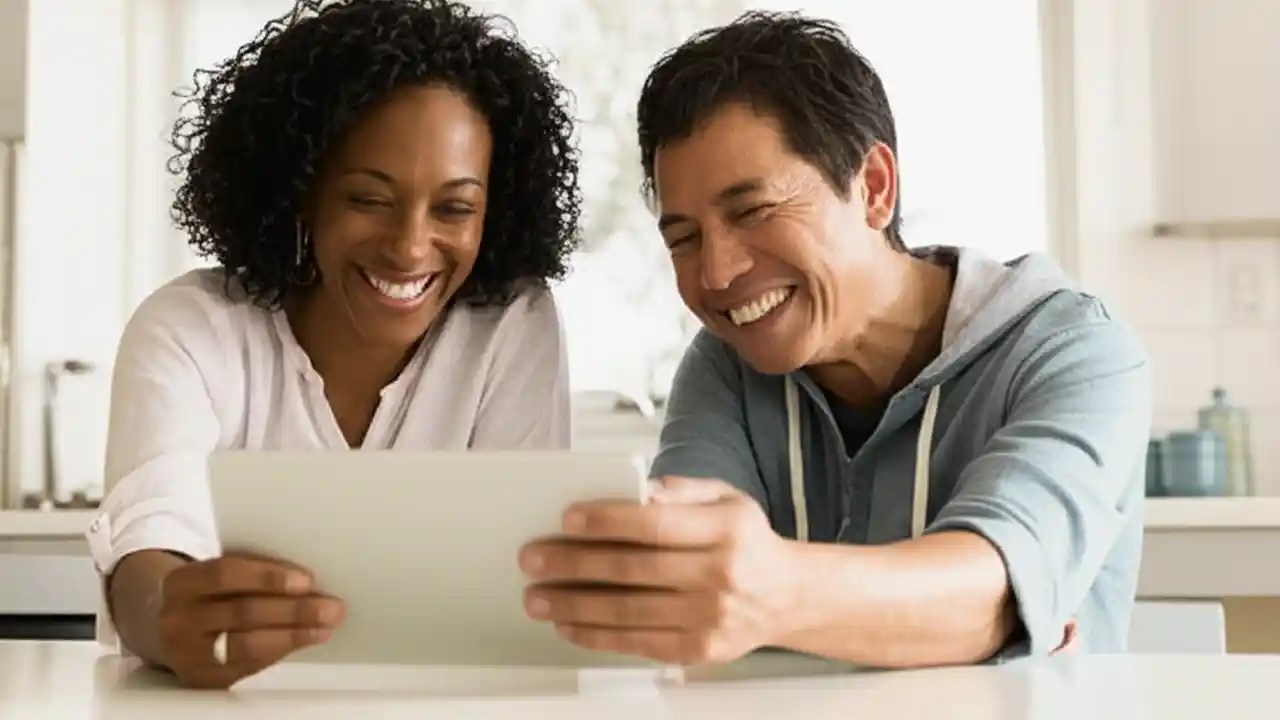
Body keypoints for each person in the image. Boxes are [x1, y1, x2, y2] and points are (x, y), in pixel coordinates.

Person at [519, 11, 1151, 668]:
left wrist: (777, 596)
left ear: (873, 187)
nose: (716, 272)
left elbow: (988, 598)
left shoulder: (1075, 351)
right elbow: (690, 602)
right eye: (683, 239)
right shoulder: (726, 367)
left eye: (753, 211)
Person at [87, 0, 581, 688]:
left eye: (455, 208)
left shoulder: (510, 326)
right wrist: (170, 614)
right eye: (367, 199)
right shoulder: (191, 328)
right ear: (300, 193)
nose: (411, 246)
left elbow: (521, 577)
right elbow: (147, 545)